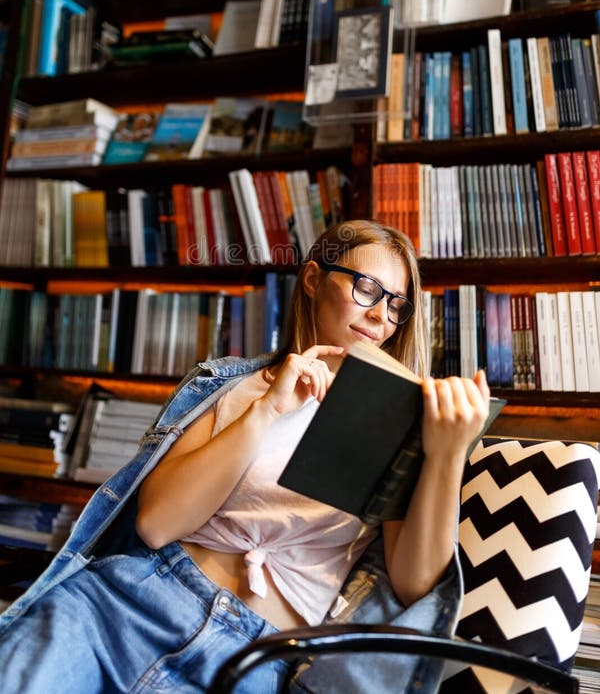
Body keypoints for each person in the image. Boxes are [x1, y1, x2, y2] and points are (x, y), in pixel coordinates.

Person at [0, 220, 490, 694]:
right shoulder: (229, 385)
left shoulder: (398, 424)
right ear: (314, 281)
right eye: (367, 288)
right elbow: (156, 524)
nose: (381, 315)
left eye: (396, 304)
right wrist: (268, 409)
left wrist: (444, 457)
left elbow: (413, 583)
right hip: (127, 604)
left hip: (256, 657)